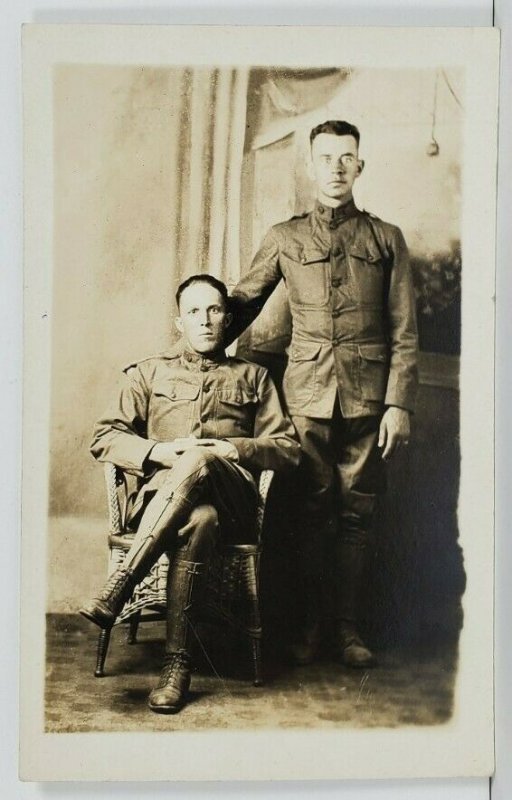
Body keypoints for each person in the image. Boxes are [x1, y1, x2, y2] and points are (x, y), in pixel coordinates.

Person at [227, 120, 419, 668]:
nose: (336, 167)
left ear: (360, 166)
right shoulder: (285, 237)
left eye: (347, 157)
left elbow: (405, 328)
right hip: (306, 396)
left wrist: (399, 402)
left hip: (368, 401)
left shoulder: (386, 238)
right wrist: (206, 338)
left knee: (358, 515)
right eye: (326, 158)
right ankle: (310, 627)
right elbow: (243, 300)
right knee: (308, 512)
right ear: (310, 166)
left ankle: (348, 632)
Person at [80, 274, 300, 714]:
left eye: (215, 310)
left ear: (228, 317)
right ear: (179, 322)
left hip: (233, 497)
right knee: (200, 519)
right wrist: (158, 451)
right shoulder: (149, 372)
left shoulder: (253, 376)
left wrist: (232, 448)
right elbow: (105, 437)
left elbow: (288, 449)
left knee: (200, 461)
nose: (205, 321)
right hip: (165, 503)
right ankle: (176, 667)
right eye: (194, 312)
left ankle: (120, 586)